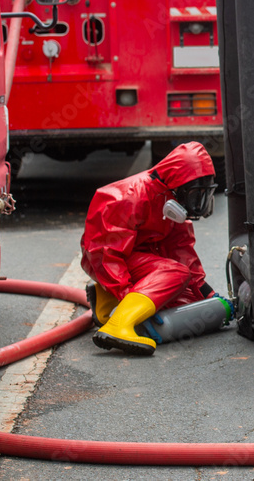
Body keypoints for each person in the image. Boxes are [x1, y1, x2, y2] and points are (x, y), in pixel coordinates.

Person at [81, 141, 219, 355]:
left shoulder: (171, 200)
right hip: (107, 260)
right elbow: (104, 253)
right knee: (174, 274)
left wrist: (207, 295)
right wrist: (124, 292)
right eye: (195, 193)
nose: (199, 202)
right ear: (178, 185)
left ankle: (106, 303)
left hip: (134, 260)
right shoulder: (130, 196)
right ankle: (118, 325)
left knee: (188, 303)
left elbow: (181, 251)